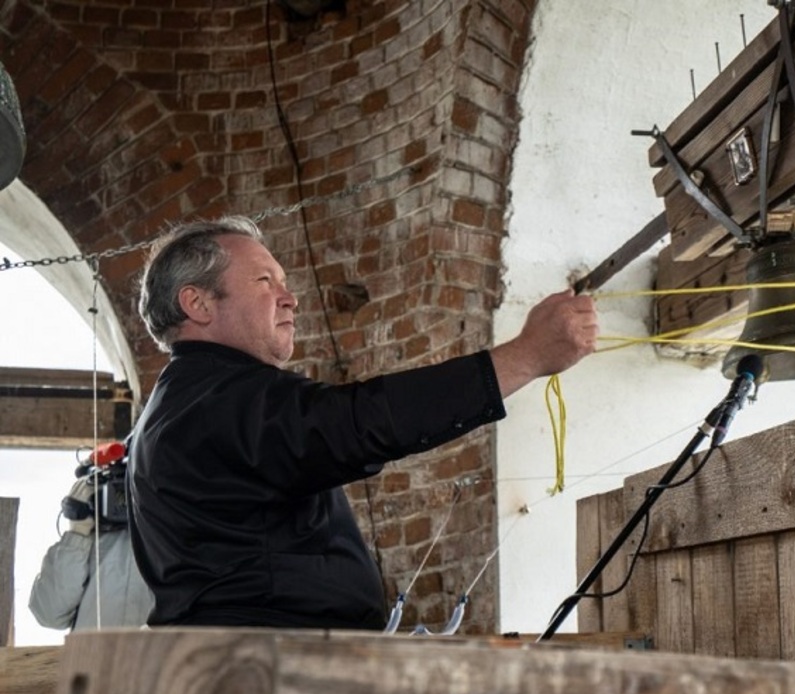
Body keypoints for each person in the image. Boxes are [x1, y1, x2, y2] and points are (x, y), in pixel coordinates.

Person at [127, 215, 598, 630]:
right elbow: (361, 421)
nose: (290, 298)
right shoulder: (216, 400)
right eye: (264, 281)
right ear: (199, 304)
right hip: (266, 676)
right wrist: (527, 356)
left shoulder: (190, 398)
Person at [29, 466, 155, 631]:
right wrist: (77, 532)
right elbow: (49, 614)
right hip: (93, 655)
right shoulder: (85, 542)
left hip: (164, 655)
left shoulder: (176, 537)